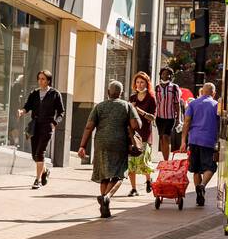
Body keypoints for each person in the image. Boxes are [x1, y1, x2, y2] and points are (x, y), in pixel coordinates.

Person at [78, 80, 140, 219]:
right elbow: (136, 125)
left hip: (101, 143)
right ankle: (107, 197)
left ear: (108, 92)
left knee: (104, 175)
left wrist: (82, 146)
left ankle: (104, 207)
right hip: (119, 143)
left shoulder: (99, 107)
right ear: (121, 93)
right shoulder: (127, 106)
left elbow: (89, 127)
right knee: (119, 174)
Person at [18, 69, 64, 190]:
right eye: (39, 78)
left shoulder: (55, 94)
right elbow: (27, 107)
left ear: (48, 80)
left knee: (40, 153)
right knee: (34, 155)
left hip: (47, 125)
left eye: (43, 79)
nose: (40, 81)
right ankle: (44, 171)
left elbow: (61, 112)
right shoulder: (34, 93)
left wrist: (55, 123)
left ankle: (37, 180)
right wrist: (21, 111)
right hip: (35, 125)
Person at [181, 83, 220, 206]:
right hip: (209, 141)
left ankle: (199, 193)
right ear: (213, 93)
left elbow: (186, 122)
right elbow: (221, 122)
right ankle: (202, 186)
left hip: (194, 140)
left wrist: (183, 141)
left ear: (202, 91)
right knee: (211, 167)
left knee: (196, 169)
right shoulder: (216, 105)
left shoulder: (192, 104)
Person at [127, 71, 157, 197]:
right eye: (137, 82)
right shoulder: (132, 98)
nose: (139, 84)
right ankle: (133, 189)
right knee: (130, 163)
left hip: (144, 135)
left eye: (142, 82)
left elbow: (152, 118)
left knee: (143, 162)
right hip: (132, 135)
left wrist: (138, 110)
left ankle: (148, 181)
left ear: (146, 84)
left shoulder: (151, 98)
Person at [154, 66, 183, 162]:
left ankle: (167, 160)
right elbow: (155, 103)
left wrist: (179, 119)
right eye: (163, 73)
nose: (165, 75)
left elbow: (177, 104)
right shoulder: (157, 88)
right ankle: (164, 159)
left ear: (171, 76)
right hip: (159, 117)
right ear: (160, 75)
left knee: (166, 137)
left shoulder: (174, 87)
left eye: (168, 74)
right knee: (161, 138)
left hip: (170, 117)